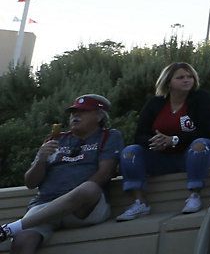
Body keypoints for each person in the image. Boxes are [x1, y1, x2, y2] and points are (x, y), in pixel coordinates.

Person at [0, 95, 123, 252]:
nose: (75, 115)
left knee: (90, 188)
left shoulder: (109, 136)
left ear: (99, 116)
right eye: (73, 112)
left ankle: (9, 229)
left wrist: (69, 198)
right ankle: (14, 230)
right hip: (45, 205)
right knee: (22, 239)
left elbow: (105, 174)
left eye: (83, 112)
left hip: (83, 208)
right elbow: (30, 183)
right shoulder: (55, 139)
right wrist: (41, 159)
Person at [117, 63, 210, 221]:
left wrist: (174, 140)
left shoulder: (202, 98)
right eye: (180, 77)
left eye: (190, 77)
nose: (186, 80)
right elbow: (140, 135)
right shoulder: (155, 103)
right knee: (130, 151)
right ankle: (140, 203)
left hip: (190, 156)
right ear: (168, 82)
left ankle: (194, 195)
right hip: (161, 158)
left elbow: (207, 131)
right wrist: (156, 141)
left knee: (201, 143)